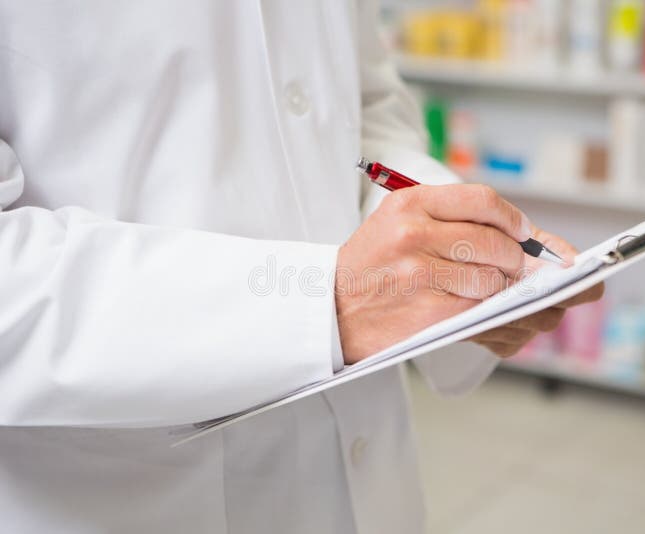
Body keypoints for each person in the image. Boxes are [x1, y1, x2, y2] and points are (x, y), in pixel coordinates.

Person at [0, 2, 602, 533]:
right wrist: (334, 304)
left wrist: (451, 265)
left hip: (367, 480)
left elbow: (362, 113)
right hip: (122, 495)